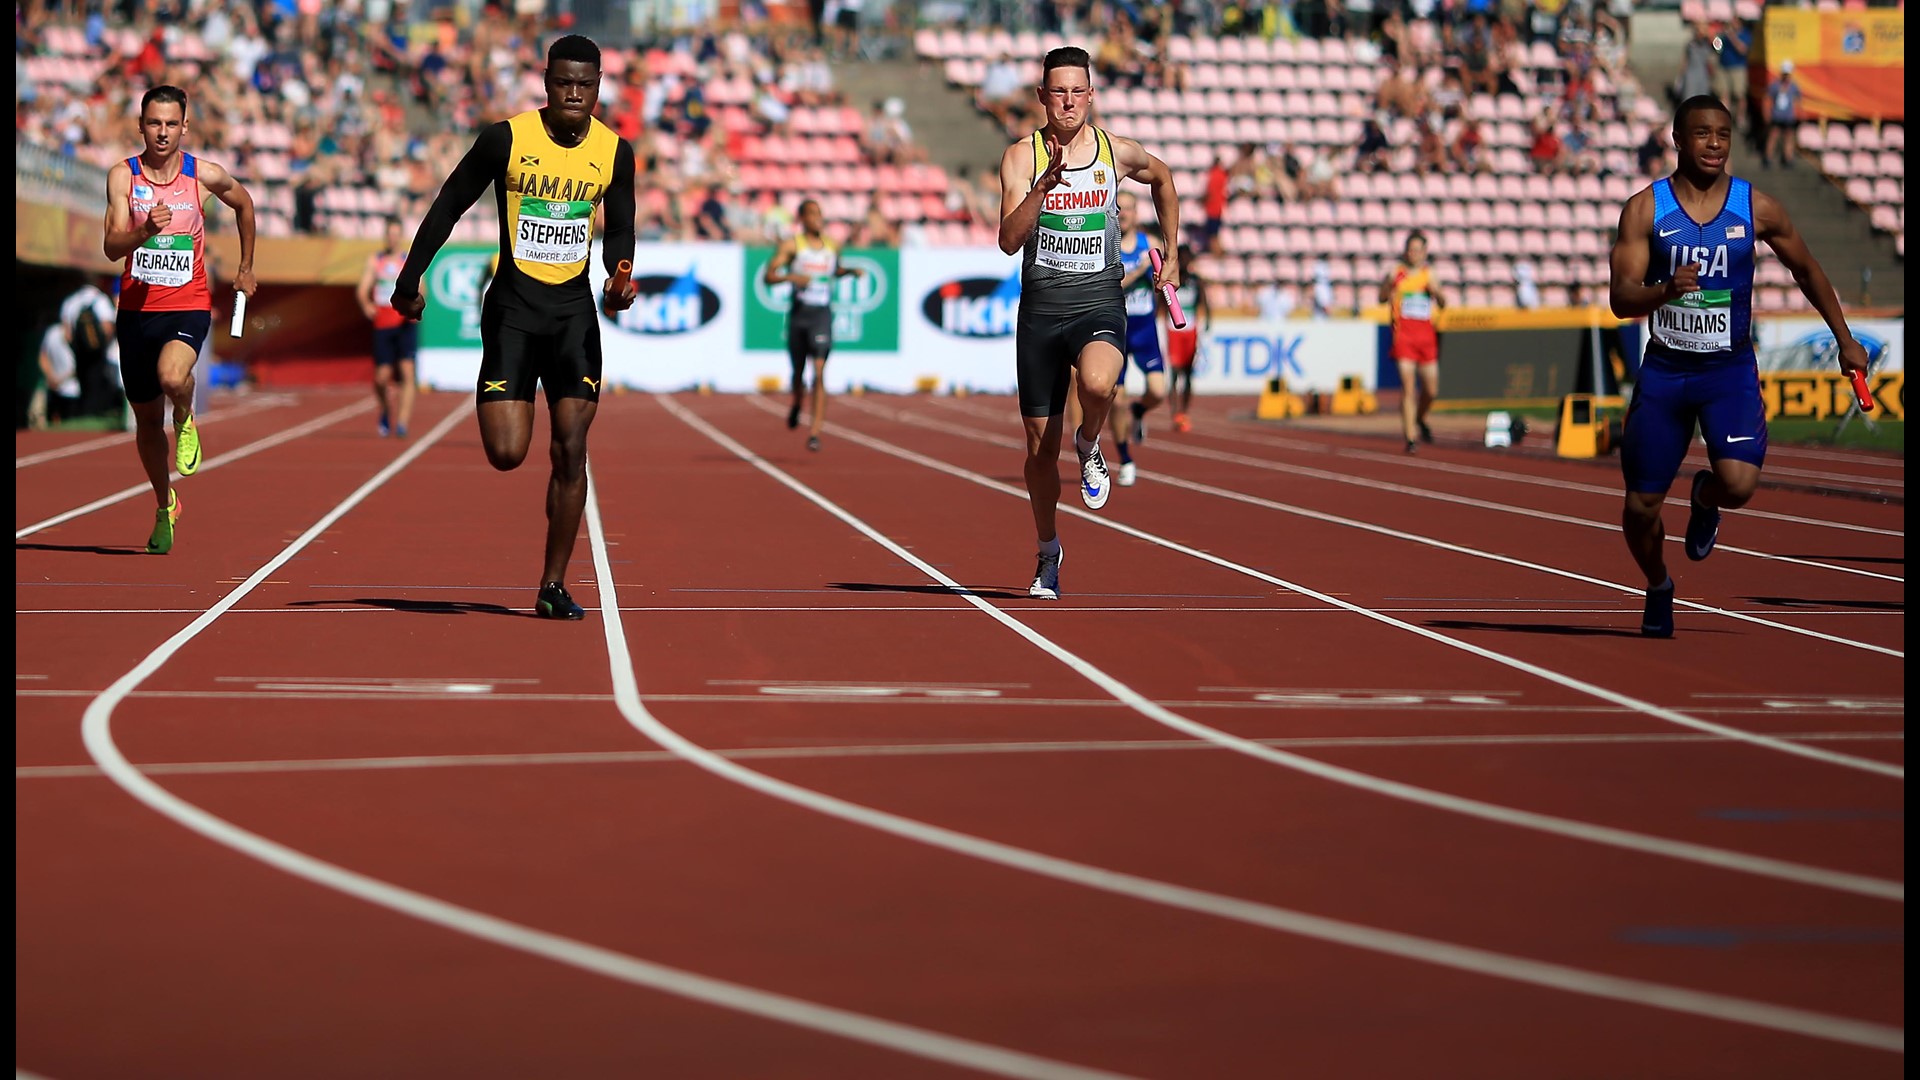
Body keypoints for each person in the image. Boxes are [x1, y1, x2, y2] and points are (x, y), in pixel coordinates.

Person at [388, 34, 638, 621]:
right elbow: (449, 203)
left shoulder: (614, 151)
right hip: (513, 312)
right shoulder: (507, 138)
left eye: (585, 84)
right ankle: (505, 386)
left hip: (574, 314)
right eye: (562, 83)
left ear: (599, 87)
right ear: (546, 83)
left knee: (571, 446)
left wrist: (620, 275)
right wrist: (409, 278)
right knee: (507, 453)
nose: (573, 93)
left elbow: (621, 231)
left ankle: (552, 585)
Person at [1608, 95, 1868, 639]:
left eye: (1723, 134)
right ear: (1678, 139)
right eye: (1702, 134)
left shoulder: (1758, 208)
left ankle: (1704, 498)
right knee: (1640, 506)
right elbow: (1621, 298)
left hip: (1726, 369)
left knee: (1740, 483)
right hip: (1665, 372)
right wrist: (1662, 291)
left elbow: (1807, 268)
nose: (1714, 144)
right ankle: (1658, 585)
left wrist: (1844, 338)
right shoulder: (1645, 210)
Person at [996, 45, 1180, 600]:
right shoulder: (1019, 157)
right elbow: (1008, 241)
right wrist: (1043, 187)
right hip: (1041, 309)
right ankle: (1048, 550)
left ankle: (1091, 441)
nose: (1068, 102)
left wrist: (1173, 252)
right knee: (1037, 451)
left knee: (1100, 384)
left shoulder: (1114, 152)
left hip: (1099, 297)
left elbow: (1165, 180)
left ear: (1091, 94)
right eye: (1058, 92)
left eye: (1078, 91)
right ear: (1042, 97)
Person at [100, 84, 258, 556]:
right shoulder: (122, 177)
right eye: (154, 123)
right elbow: (110, 246)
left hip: (187, 303)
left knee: (173, 377)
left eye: (171, 124)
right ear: (141, 125)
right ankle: (164, 502)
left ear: (184, 126)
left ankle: (186, 413)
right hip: (135, 311)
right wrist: (143, 230)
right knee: (147, 423)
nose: (162, 132)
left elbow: (245, 205)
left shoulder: (203, 176)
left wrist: (247, 268)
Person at [764, 198, 864, 452]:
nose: (817, 218)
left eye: (819, 213)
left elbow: (835, 271)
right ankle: (797, 402)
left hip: (821, 314)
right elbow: (769, 276)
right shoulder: (792, 245)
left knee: (819, 371)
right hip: (799, 315)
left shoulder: (832, 245)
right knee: (798, 373)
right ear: (802, 219)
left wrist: (850, 272)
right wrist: (791, 277)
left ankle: (815, 431)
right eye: (811, 214)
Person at [1113, 190, 1168, 481]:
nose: (1124, 214)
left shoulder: (1151, 246)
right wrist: (1139, 272)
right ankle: (1125, 459)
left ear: (1137, 214)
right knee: (1116, 401)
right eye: (1120, 208)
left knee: (1158, 392)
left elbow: (1167, 281)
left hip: (1145, 329)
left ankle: (1139, 411)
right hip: (1117, 329)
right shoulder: (1107, 247)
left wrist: (1161, 280)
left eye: (1130, 209)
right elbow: (1113, 286)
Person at [1380, 231, 1446, 454]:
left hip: (1426, 338)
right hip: (1404, 337)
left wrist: (1436, 292)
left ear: (1424, 252)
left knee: (1431, 390)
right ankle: (1410, 437)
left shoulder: (1430, 275)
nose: (1414, 254)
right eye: (1411, 249)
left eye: (1418, 250)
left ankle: (1419, 418)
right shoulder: (1396, 272)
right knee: (1408, 388)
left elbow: (1444, 303)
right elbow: (1381, 297)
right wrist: (1387, 287)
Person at [357, 216, 420, 438]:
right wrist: (366, 305)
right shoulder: (376, 260)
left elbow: (423, 289)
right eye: (389, 235)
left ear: (400, 236)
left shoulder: (408, 260)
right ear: (386, 236)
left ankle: (402, 422)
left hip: (404, 322)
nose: (392, 239)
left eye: (396, 235)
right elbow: (363, 289)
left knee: (407, 372)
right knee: (381, 377)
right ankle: (385, 408)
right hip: (383, 321)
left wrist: (413, 307)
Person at [1163, 241, 1211, 433]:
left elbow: (1205, 303)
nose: (1183, 262)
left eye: (1186, 258)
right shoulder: (1170, 281)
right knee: (1174, 372)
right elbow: (1160, 304)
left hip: (1191, 329)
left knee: (1188, 373)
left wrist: (1207, 324)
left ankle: (1184, 411)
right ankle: (1175, 413)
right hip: (1172, 329)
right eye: (1181, 258)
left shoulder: (1195, 281)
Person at [1762, 61, 1801, 169]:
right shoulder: (1775, 86)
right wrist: (1767, 114)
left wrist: (1798, 113)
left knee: (1788, 138)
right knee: (1773, 136)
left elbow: (1797, 100)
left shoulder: (1793, 87)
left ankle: (1788, 157)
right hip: (1777, 116)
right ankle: (1768, 157)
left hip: (1788, 117)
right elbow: (1767, 100)